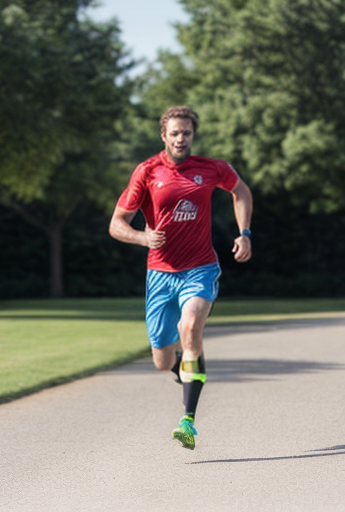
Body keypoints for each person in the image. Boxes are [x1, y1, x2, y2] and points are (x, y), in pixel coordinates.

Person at [109, 106, 253, 450]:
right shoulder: (147, 172)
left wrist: (244, 232)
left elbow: (241, 192)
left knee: (190, 327)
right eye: (174, 133)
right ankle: (189, 371)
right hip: (159, 273)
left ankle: (187, 420)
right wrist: (142, 238)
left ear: (193, 134)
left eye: (186, 133)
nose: (180, 139)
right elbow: (116, 223)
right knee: (162, 361)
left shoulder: (211, 168)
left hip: (200, 268)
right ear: (164, 135)